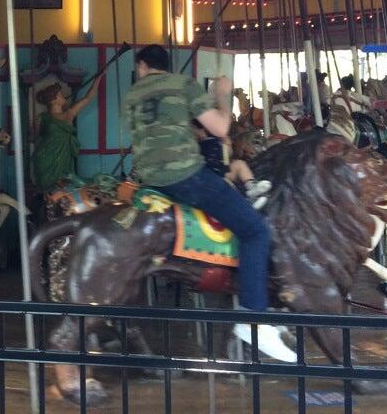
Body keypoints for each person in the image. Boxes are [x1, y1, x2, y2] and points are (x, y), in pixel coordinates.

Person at [123, 44, 296, 362]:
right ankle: (252, 317)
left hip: (149, 182)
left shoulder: (131, 94)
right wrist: (222, 93)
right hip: (186, 177)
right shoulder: (183, 84)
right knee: (255, 230)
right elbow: (221, 128)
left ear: (142, 66)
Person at [32, 81, 98, 192]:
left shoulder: (69, 114)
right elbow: (33, 138)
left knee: (63, 187)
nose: (64, 96)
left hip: (63, 160)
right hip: (44, 159)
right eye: (61, 95)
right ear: (54, 100)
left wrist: (98, 78)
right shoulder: (41, 118)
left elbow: (88, 97)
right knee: (48, 191)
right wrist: (34, 128)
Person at [192, 120, 270, 209]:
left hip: (221, 168)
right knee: (226, 183)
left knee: (240, 164)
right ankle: (245, 202)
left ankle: (251, 187)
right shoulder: (194, 142)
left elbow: (228, 156)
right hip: (207, 172)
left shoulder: (216, 137)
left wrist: (227, 145)